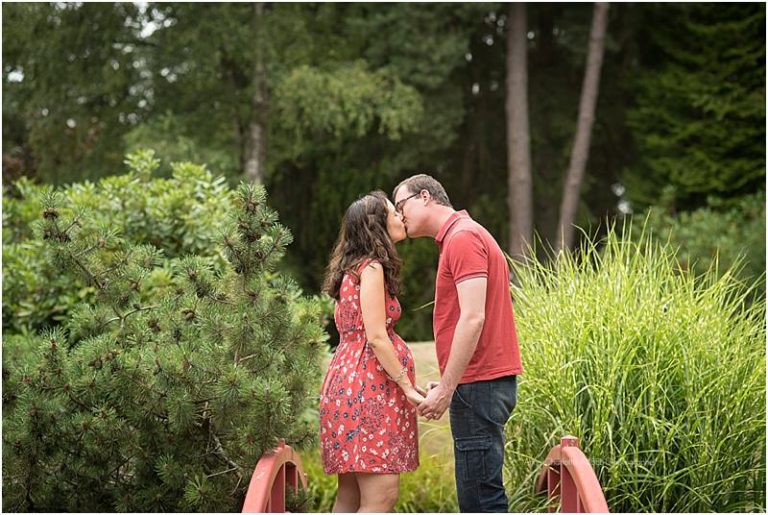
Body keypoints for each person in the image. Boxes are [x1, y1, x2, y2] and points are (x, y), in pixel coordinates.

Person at [392, 174, 524, 513]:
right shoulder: (460, 236)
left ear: (425, 196)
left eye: (401, 205)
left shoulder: (462, 238)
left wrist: (448, 388)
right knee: (480, 495)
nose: (399, 215)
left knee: (480, 501)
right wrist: (448, 381)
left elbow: (473, 317)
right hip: (478, 383)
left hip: (481, 384)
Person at [319, 191, 425, 513]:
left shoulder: (350, 270)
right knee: (382, 497)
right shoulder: (372, 268)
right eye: (393, 213)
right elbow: (376, 337)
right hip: (370, 390)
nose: (400, 217)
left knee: (349, 496)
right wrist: (407, 387)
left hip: (346, 384)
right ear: (377, 226)